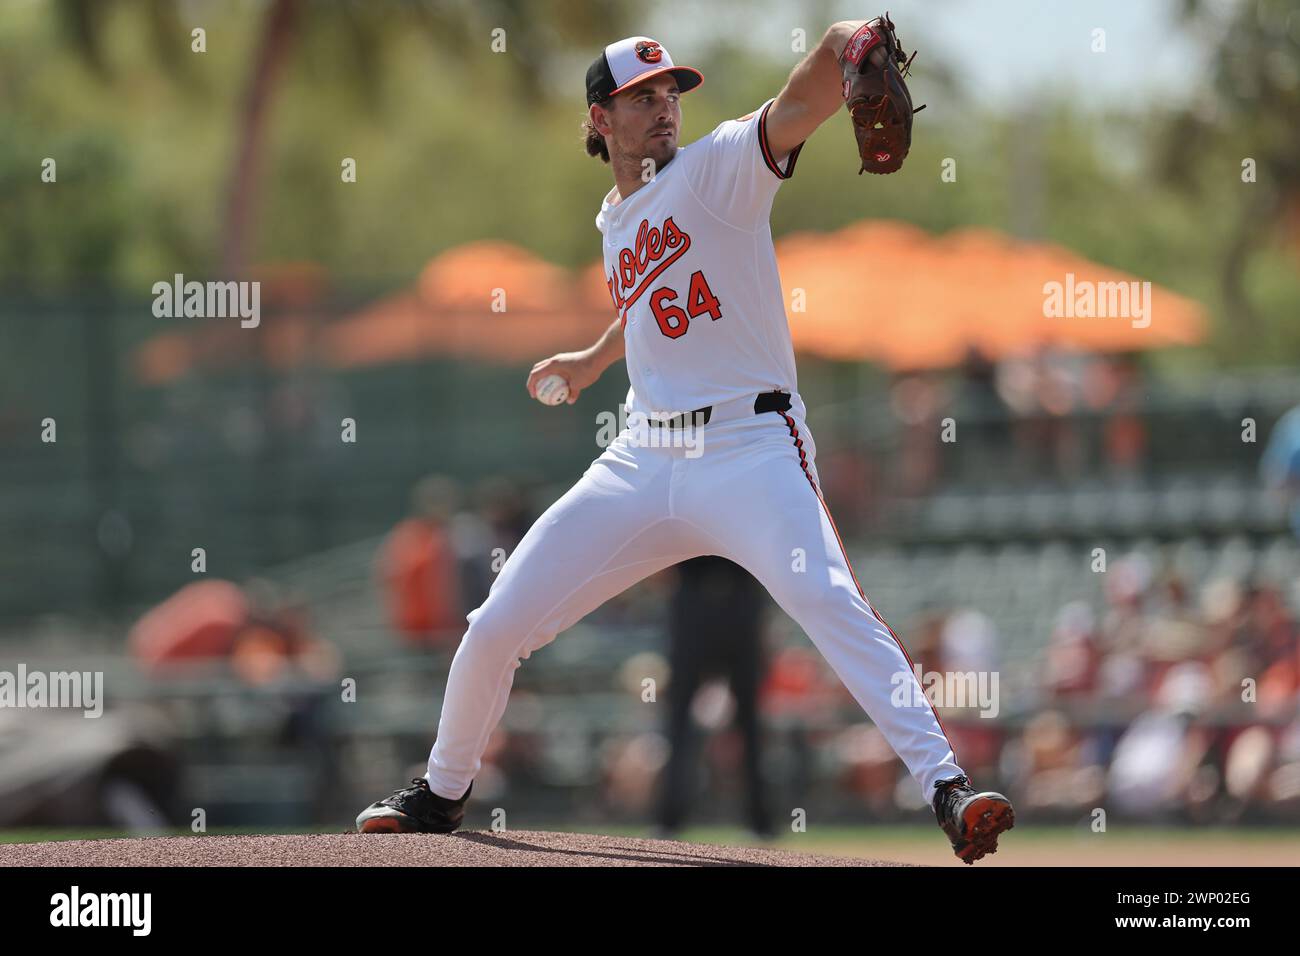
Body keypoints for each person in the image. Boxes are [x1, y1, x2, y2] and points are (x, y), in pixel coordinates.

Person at [356, 25, 1014, 862]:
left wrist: (845, 46)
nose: (665, 108)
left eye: (671, 93)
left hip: (752, 448)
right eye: (643, 97)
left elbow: (798, 105)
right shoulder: (616, 217)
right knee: (494, 624)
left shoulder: (720, 168)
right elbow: (645, 298)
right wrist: (595, 359)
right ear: (602, 118)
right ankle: (442, 794)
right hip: (641, 459)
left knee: (829, 601)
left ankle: (947, 789)